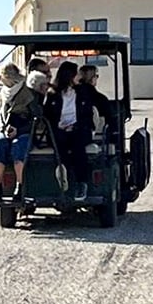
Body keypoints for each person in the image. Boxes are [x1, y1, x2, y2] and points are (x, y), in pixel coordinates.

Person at [43, 61, 97, 202]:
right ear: (70, 76)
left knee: (77, 144)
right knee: (59, 141)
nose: (79, 76)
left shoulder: (83, 92)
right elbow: (47, 116)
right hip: (60, 130)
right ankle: (63, 173)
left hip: (79, 129)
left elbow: (87, 115)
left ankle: (81, 183)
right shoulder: (53, 94)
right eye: (77, 73)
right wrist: (60, 126)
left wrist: (75, 126)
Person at [0, 63, 42, 204]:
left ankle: (19, 187)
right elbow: (1, 114)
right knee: (0, 144)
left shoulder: (28, 94)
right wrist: (4, 128)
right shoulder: (3, 93)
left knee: (18, 145)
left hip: (24, 130)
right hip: (6, 129)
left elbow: (36, 118)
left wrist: (19, 130)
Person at [77, 64, 112, 131]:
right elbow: (108, 120)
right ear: (92, 78)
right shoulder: (100, 98)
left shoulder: (72, 95)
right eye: (96, 76)